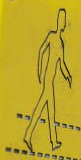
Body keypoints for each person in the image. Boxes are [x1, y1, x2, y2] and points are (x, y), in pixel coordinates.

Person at [23, 8, 72, 152]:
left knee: (50, 110)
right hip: (47, 78)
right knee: (44, 108)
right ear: (58, 22)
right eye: (61, 20)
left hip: (51, 80)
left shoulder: (61, 43)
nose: (62, 23)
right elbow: (41, 51)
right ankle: (30, 135)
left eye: (63, 21)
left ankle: (52, 141)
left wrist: (68, 76)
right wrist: (39, 71)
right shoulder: (51, 36)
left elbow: (61, 63)